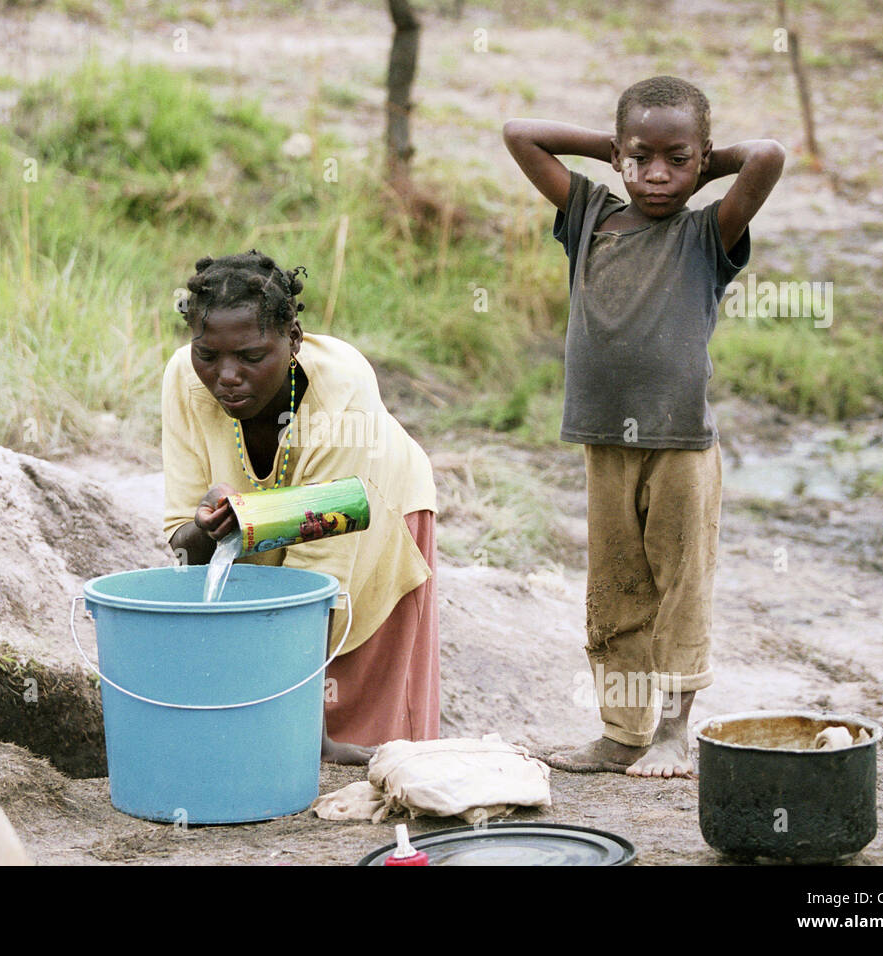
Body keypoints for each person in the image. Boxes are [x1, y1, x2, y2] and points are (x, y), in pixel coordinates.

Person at [503, 76, 784, 777]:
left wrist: (699, 164)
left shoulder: (705, 232)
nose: (657, 175)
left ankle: (674, 733)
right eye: (640, 158)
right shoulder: (590, 214)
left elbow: (769, 156)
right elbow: (519, 134)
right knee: (617, 586)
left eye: (677, 159)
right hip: (606, 442)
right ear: (616, 156)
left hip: (681, 445)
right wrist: (616, 151)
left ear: (702, 158)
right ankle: (621, 732)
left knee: (680, 583)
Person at [161, 250, 440, 764]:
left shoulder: (341, 395)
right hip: (270, 529)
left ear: (292, 340)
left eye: (250, 356)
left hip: (376, 511)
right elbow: (181, 541)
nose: (226, 375)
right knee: (273, 737)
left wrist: (314, 736)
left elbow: (324, 581)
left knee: (373, 747)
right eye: (208, 355)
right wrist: (205, 528)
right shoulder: (183, 379)